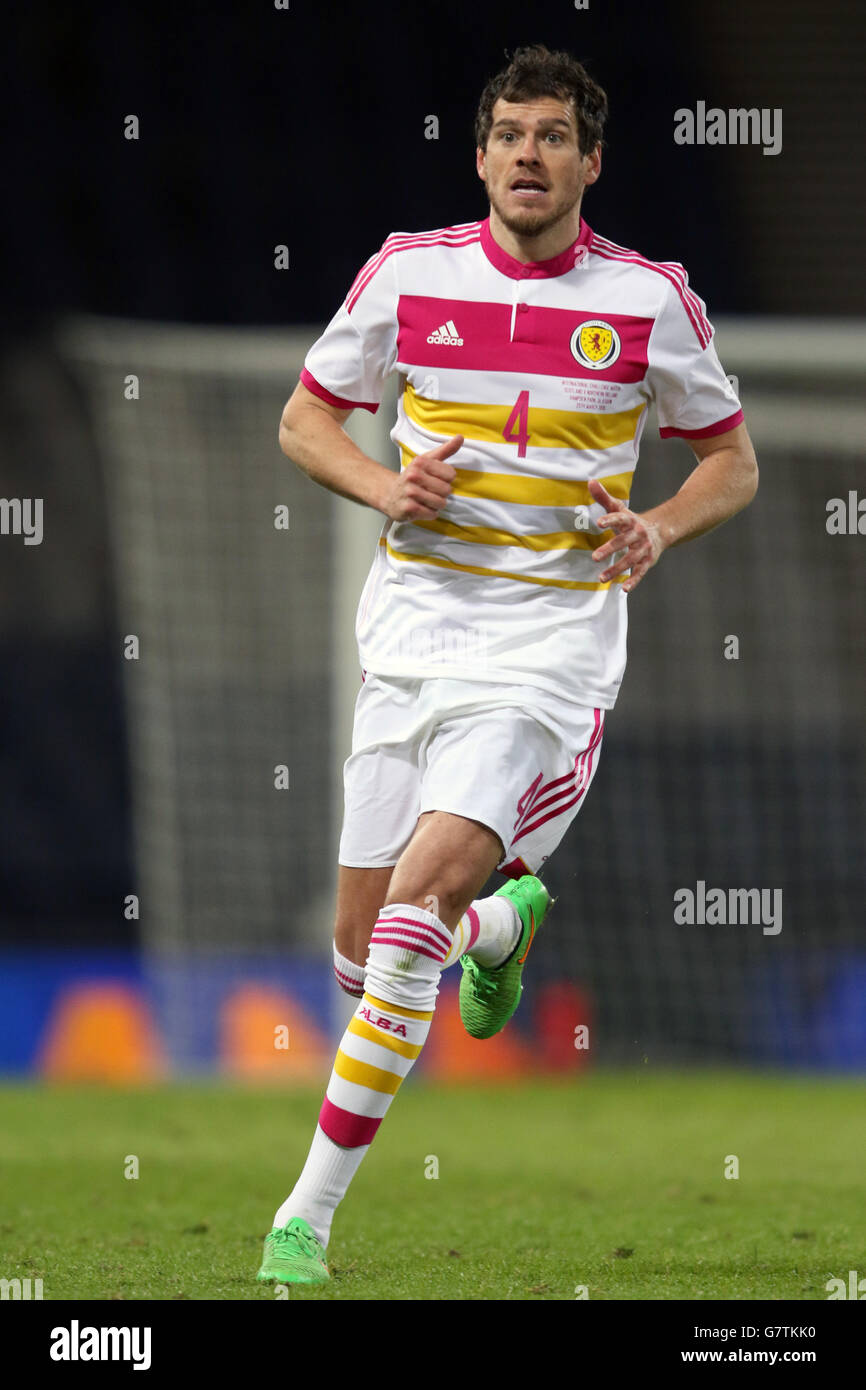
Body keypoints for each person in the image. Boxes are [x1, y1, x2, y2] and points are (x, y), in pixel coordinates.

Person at [257, 43, 758, 1286]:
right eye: (507, 136)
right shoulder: (405, 273)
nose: (527, 156)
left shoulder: (649, 300)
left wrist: (657, 523)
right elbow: (304, 416)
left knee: (407, 915)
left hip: (545, 651)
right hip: (411, 637)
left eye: (551, 137)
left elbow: (729, 462)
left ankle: (301, 1223)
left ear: (591, 161)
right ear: (477, 156)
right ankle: (500, 928)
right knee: (362, 950)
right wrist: (385, 482)